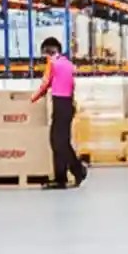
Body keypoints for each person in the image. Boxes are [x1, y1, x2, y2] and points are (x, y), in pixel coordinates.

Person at [31, 37, 87, 190]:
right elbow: (71, 84)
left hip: (60, 103)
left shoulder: (53, 63)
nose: (44, 57)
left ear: (49, 50)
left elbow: (45, 84)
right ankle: (60, 177)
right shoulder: (68, 63)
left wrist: (32, 99)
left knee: (58, 141)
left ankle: (77, 170)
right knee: (61, 141)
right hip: (67, 103)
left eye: (44, 53)